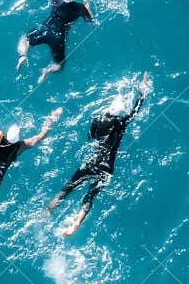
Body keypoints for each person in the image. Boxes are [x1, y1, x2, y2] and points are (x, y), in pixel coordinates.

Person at [48, 74, 149, 236]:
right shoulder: (121, 124)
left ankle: (49, 210)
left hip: (92, 161)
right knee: (90, 197)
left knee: (69, 186)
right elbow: (135, 111)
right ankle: (75, 224)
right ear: (119, 114)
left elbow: (91, 137)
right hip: (107, 168)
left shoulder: (96, 120)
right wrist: (143, 92)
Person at [17, 0, 93, 82]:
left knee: (25, 39)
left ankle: (23, 56)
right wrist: (87, 2)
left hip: (44, 29)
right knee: (60, 65)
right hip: (58, 38)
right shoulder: (80, 8)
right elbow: (90, 19)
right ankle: (47, 71)